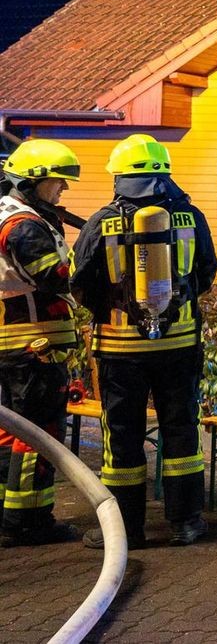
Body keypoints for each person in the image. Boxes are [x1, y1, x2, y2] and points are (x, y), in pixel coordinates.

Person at [71, 134, 217, 548]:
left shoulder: (103, 221)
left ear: (119, 176)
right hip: (179, 345)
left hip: (120, 350)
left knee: (121, 436)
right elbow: (206, 273)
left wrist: (113, 308)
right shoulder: (191, 216)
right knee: (181, 431)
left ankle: (127, 530)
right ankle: (186, 522)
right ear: (165, 172)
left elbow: (80, 282)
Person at [0, 139, 82, 546]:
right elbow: (55, 278)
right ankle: (29, 521)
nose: (62, 191)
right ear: (32, 182)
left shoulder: (9, 213)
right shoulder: (26, 226)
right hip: (34, 345)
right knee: (38, 434)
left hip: (13, 345)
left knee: (9, 432)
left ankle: (8, 514)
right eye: (57, 183)